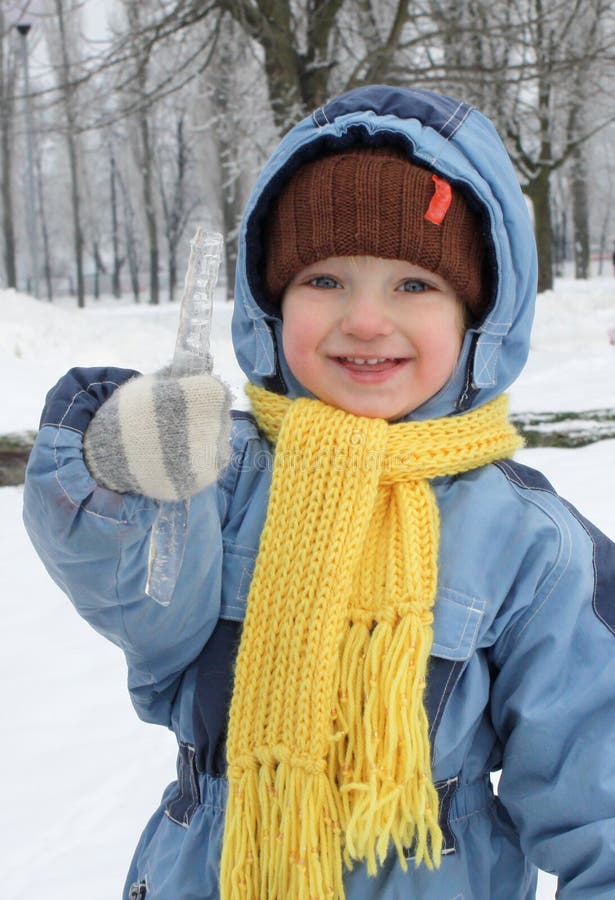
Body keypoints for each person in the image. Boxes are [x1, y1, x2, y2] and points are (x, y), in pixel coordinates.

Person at [23, 85, 615, 900]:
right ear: (270, 304)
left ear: (477, 317)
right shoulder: (220, 474)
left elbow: (599, 792)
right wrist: (123, 469)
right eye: (325, 280)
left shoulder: (528, 542)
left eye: (414, 285)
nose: (365, 321)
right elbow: (144, 615)